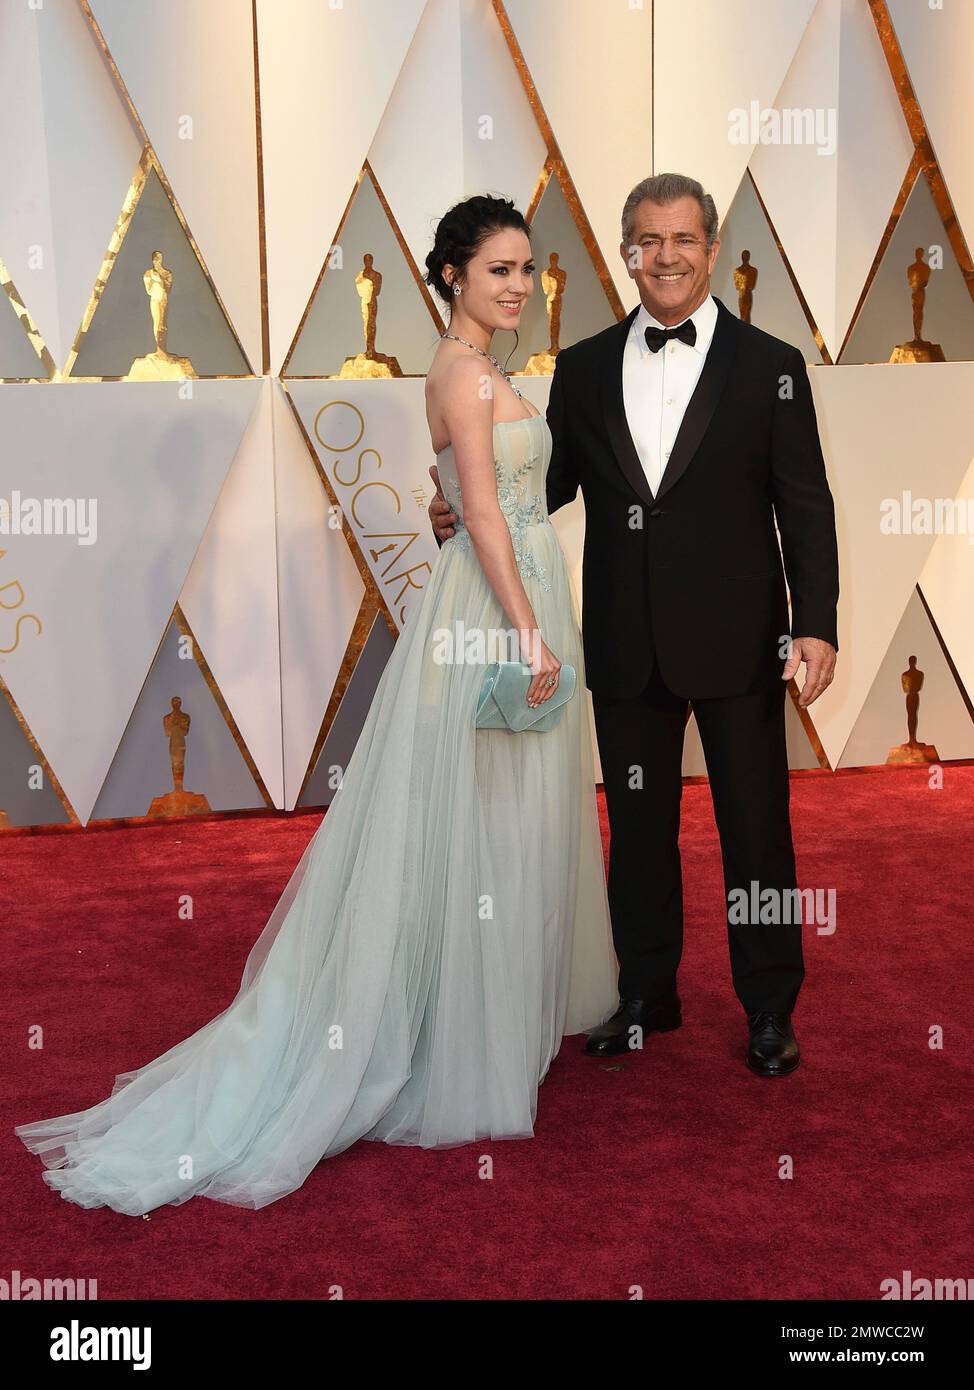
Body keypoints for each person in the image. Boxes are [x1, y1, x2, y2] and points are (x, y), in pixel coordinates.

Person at [14, 195, 617, 1216]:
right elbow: (478, 508)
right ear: (453, 280)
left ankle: (476, 1015)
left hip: (505, 587)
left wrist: (500, 572)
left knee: (501, 809)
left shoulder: (485, 372)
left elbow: (467, 503)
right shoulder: (460, 373)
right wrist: (522, 629)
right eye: (499, 270)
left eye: (524, 268)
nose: (517, 285)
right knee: (467, 812)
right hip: (494, 607)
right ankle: (439, 1036)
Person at [431, 173, 840, 1077]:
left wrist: (815, 625)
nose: (665, 258)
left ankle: (770, 1006)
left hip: (740, 642)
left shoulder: (771, 364)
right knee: (639, 832)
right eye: (647, 242)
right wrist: (466, 504)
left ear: (711, 249)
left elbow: (804, 504)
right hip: (621, 642)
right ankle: (647, 993)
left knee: (758, 833)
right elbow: (547, 485)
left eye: (682, 240)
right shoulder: (581, 367)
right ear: (627, 253)